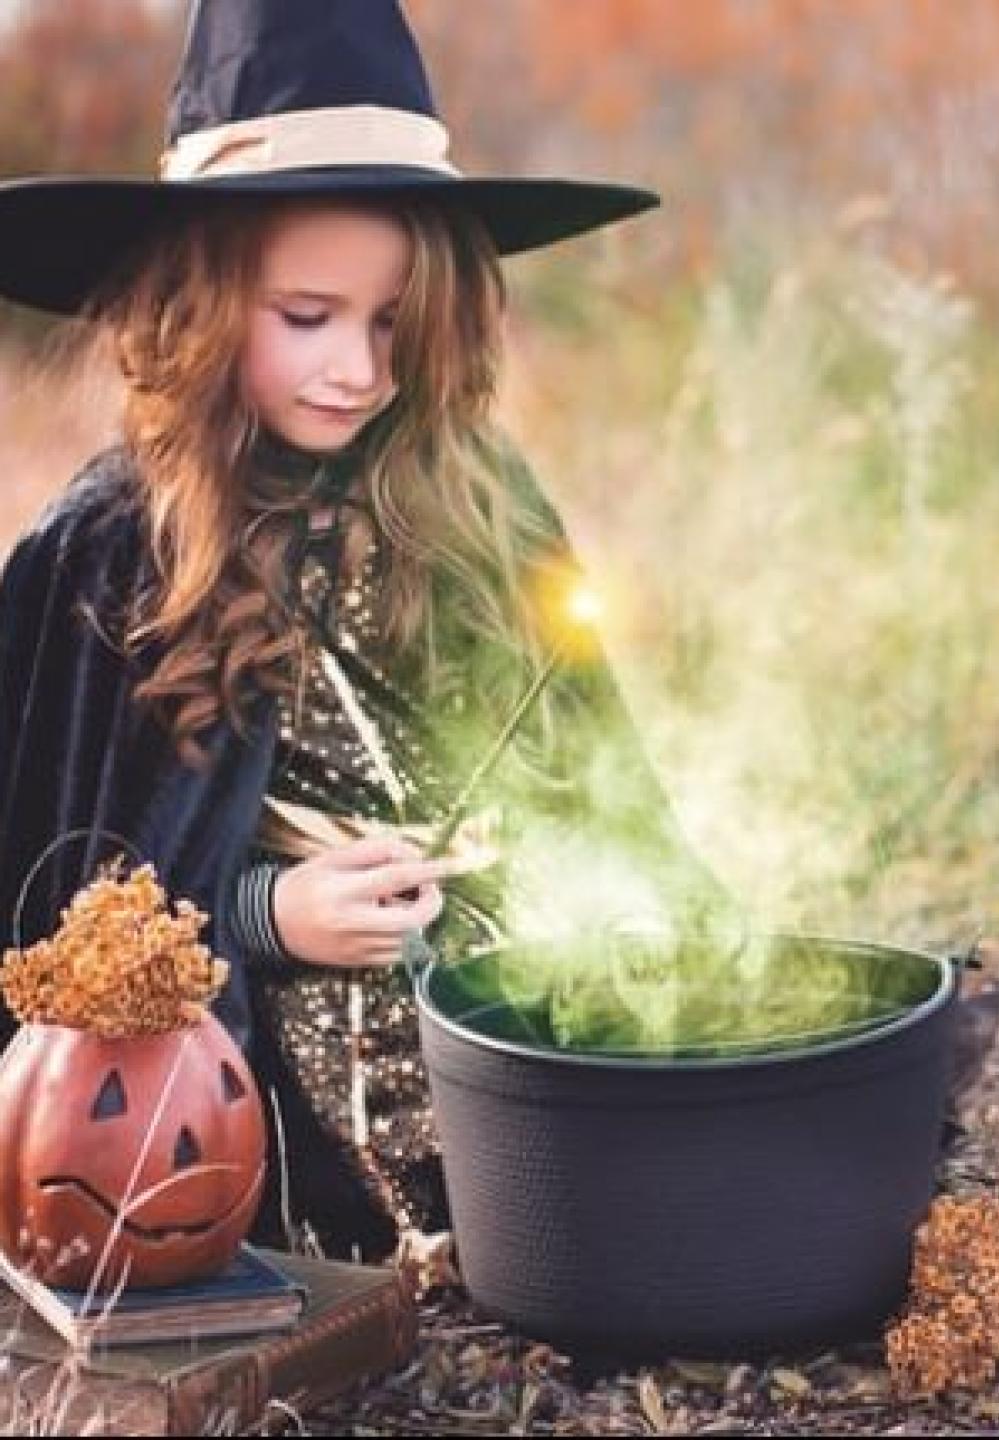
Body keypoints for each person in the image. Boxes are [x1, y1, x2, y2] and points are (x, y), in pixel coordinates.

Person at [0, 0, 740, 1263]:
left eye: (391, 323)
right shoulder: (117, 549)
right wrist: (265, 913)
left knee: (722, 1092)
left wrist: (602, 893)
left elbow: (591, 773)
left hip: (519, 989)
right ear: (200, 300)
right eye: (306, 317)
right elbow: (56, 922)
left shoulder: (475, 494)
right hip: (269, 1074)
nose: (354, 368)